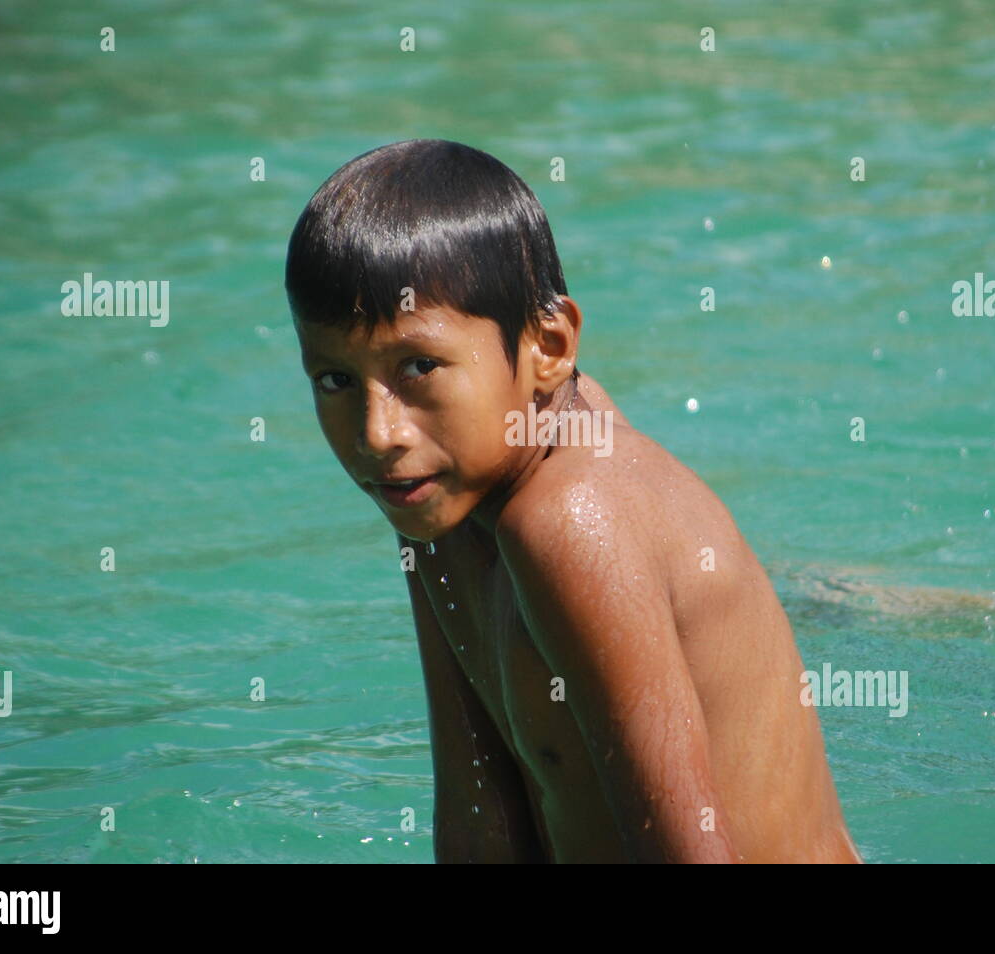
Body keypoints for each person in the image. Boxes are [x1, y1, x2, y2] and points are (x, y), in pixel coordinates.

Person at [285, 138, 861, 863]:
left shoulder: (572, 521)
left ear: (548, 346)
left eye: (419, 366)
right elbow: (477, 816)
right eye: (335, 381)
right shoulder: (444, 491)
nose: (378, 433)